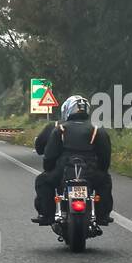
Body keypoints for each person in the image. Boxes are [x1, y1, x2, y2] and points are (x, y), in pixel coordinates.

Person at [33, 94, 114, 225]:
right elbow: (105, 156)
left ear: (68, 109)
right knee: (105, 181)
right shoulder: (97, 128)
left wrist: (49, 169)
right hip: (90, 171)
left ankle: (46, 215)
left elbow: (49, 156)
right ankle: (102, 216)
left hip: (63, 170)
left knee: (42, 180)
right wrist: (102, 170)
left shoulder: (60, 128)